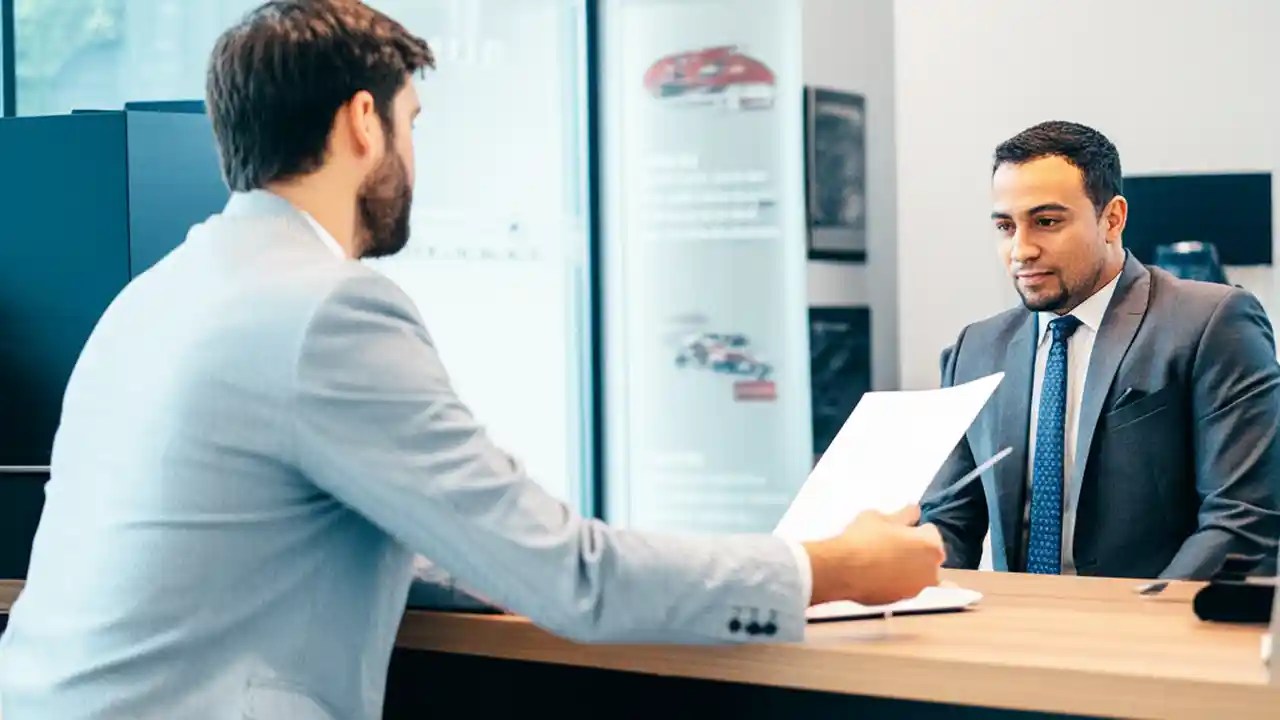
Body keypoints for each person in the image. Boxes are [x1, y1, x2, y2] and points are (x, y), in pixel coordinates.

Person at [0, 2, 944, 718]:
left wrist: (476, 551)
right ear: (363, 122)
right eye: (414, 125)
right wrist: (837, 566)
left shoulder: (157, 294)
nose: (415, 156)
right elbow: (577, 579)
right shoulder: (326, 307)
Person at [919, 120, 1280, 580]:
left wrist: (1139, 624)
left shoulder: (1213, 322)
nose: (1021, 249)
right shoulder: (975, 348)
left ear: (1112, 219)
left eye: (1046, 222)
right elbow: (949, 520)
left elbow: (1242, 519)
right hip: (1012, 628)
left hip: (1154, 631)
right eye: (1006, 226)